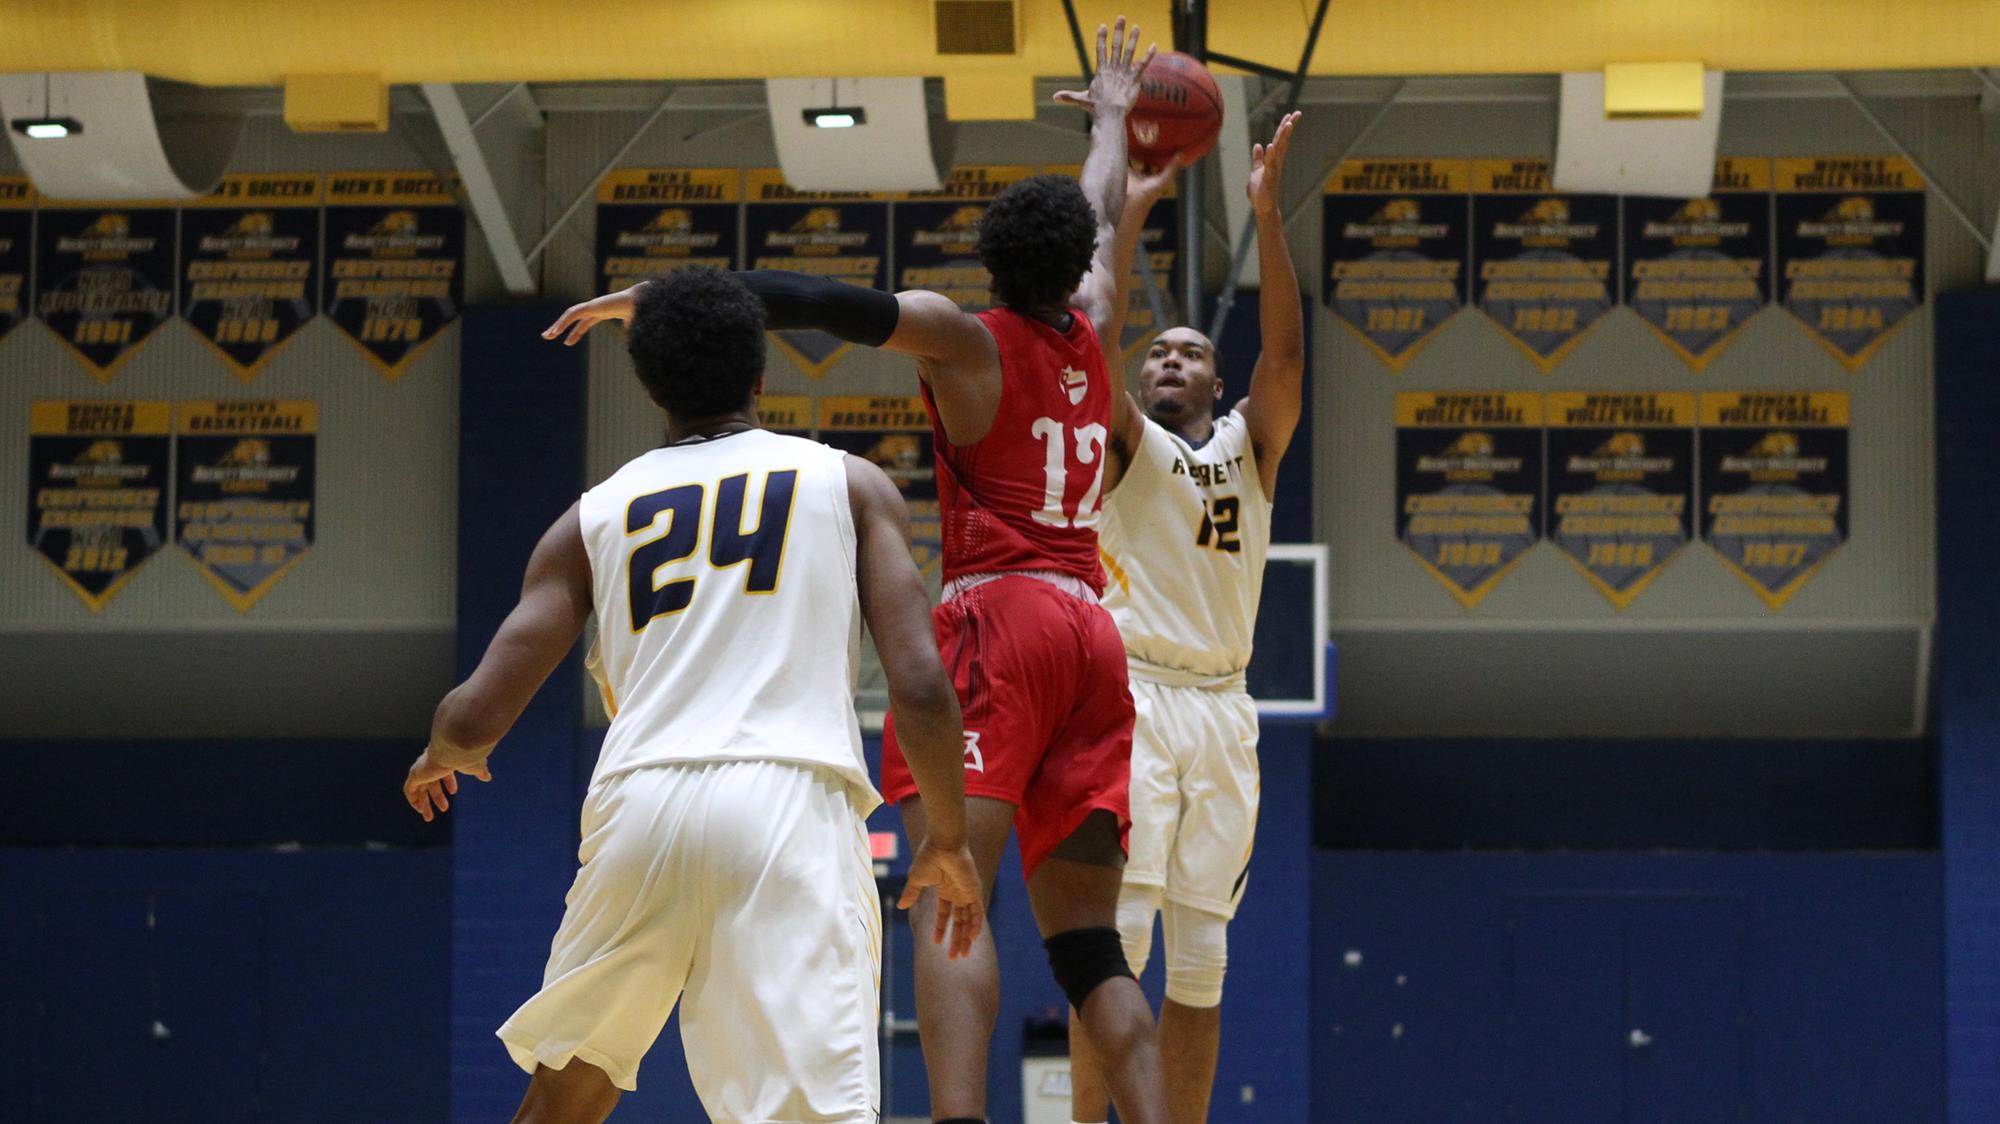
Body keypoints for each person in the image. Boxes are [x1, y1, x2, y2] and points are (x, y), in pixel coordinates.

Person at [541, 21, 1172, 1123]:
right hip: (1094, 631)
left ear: (988, 260)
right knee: (1089, 947)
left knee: (949, 884)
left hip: (1005, 615)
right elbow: (1101, 206)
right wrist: (1114, 119)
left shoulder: (966, 338)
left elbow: (818, 300)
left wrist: (666, 293)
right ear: (1075, 260)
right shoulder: (1096, 322)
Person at [404, 267, 983, 1124]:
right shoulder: (850, 484)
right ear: (759, 377)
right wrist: (947, 837)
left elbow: (474, 713)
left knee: (571, 1083)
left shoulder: (593, 515)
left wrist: (443, 755)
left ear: (650, 388)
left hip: (640, 804)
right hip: (790, 800)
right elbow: (925, 690)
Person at [1067, 111, 1306, 1124]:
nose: (1165, 358)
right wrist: (1122, 219)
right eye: (1155, 351)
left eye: (1188, 351)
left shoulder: (1252, 446)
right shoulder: (1123, 444)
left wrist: (1265, 212)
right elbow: (1092, 334)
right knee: (1110, 950)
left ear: (1216, 378)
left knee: (1199, 960)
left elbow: (1288, 354)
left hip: (1221, 709)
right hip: (1131, 703)